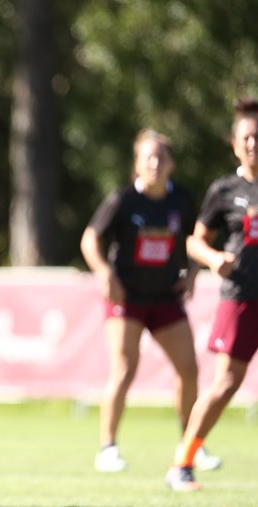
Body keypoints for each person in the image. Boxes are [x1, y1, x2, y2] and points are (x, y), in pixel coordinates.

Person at [80, 129, 221, 474]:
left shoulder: (182, 201)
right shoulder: (123, 200)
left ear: (171, 163)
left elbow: (196, 239)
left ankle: (190, 444)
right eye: (148, 158)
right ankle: (108, 448)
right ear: (138, 164)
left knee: (189, 369)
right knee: (124, 368)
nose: (155, 164)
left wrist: (192, 272)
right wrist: (104, 273)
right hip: (126, 298)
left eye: (161, 157)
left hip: (165, 298)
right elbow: (89, 239)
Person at [166, 98, 258, 491]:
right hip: (242, 296)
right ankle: (182, 463)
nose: (254, 143)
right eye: (248, 137)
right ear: (234, 143)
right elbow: (194, 242)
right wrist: (213, 258)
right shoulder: (225, 190)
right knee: (225, 385)